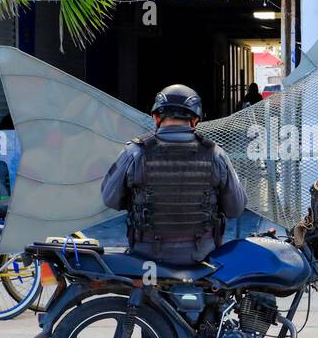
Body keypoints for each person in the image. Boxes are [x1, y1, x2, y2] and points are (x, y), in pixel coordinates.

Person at [102, 84, 246, 264]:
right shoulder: (215, 154)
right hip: (201, 257)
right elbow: (236, 208)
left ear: (156, 117)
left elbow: (110, 198)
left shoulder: (135, 152)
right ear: (195, 120)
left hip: (147, 258)